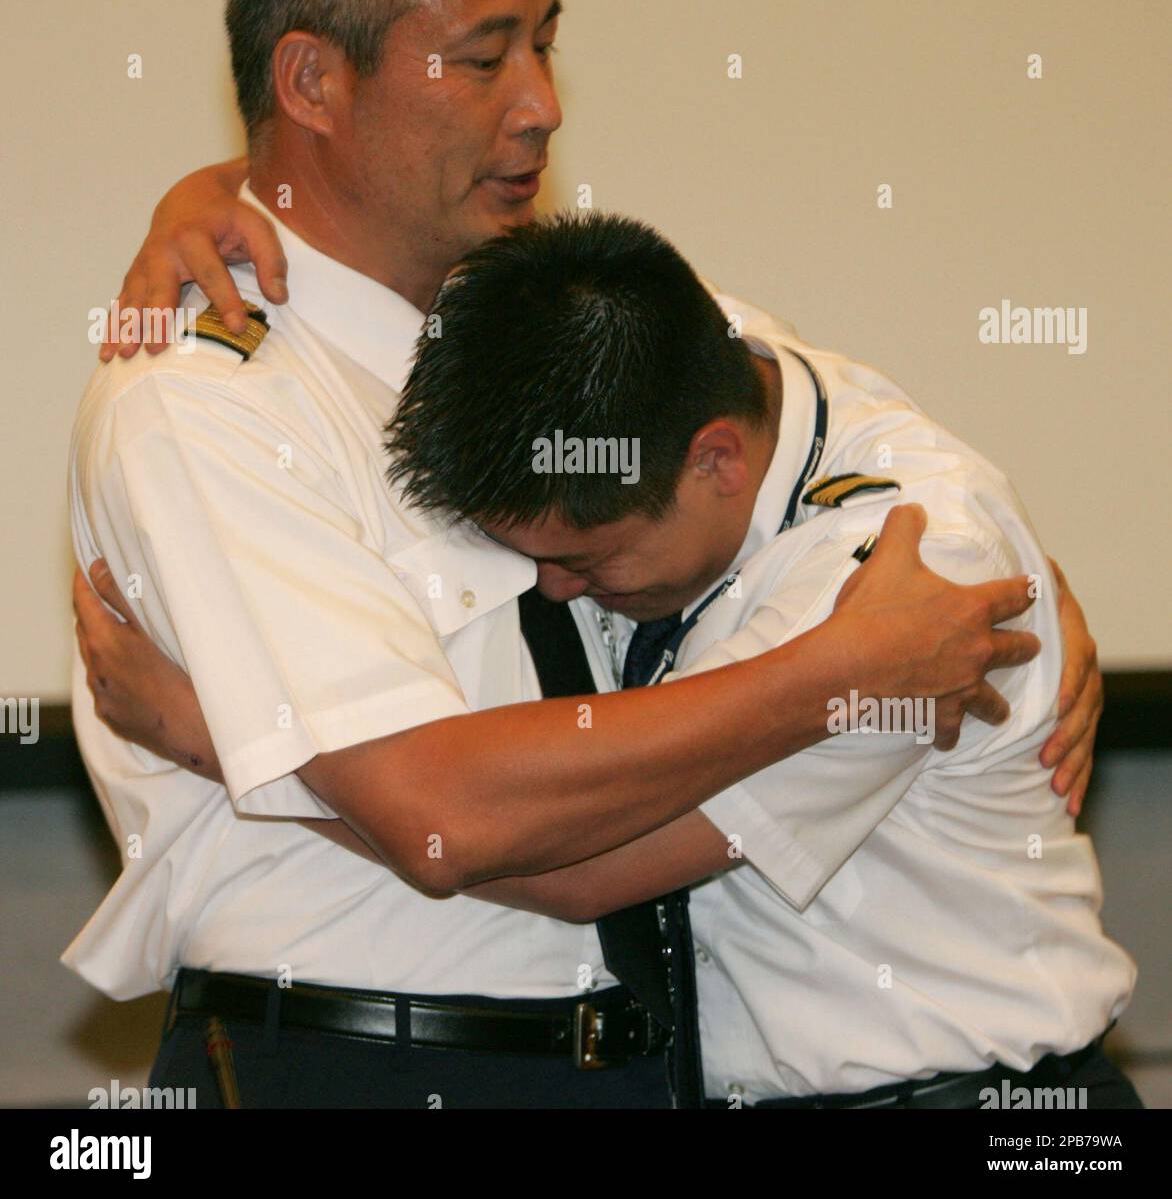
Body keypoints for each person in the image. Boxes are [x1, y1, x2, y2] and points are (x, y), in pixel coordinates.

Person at [69, 0, 1099, 1109]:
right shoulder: (206, 396)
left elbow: (828, 440)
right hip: (354, 1066)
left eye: (546, 42)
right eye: (486, 58)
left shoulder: (560, 312)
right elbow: (439, 810)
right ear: (312, 83)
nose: (542, 102)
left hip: (639, 1068)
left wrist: (1000, 558)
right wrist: (835, 675)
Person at [78, 210, 1136, 1108]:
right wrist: (216, 194)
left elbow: (578, 866)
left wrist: (234, 741)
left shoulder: (895, 604)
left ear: (715, 457)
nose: (556, 595)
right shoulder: (694, 363)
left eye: (590, 559)